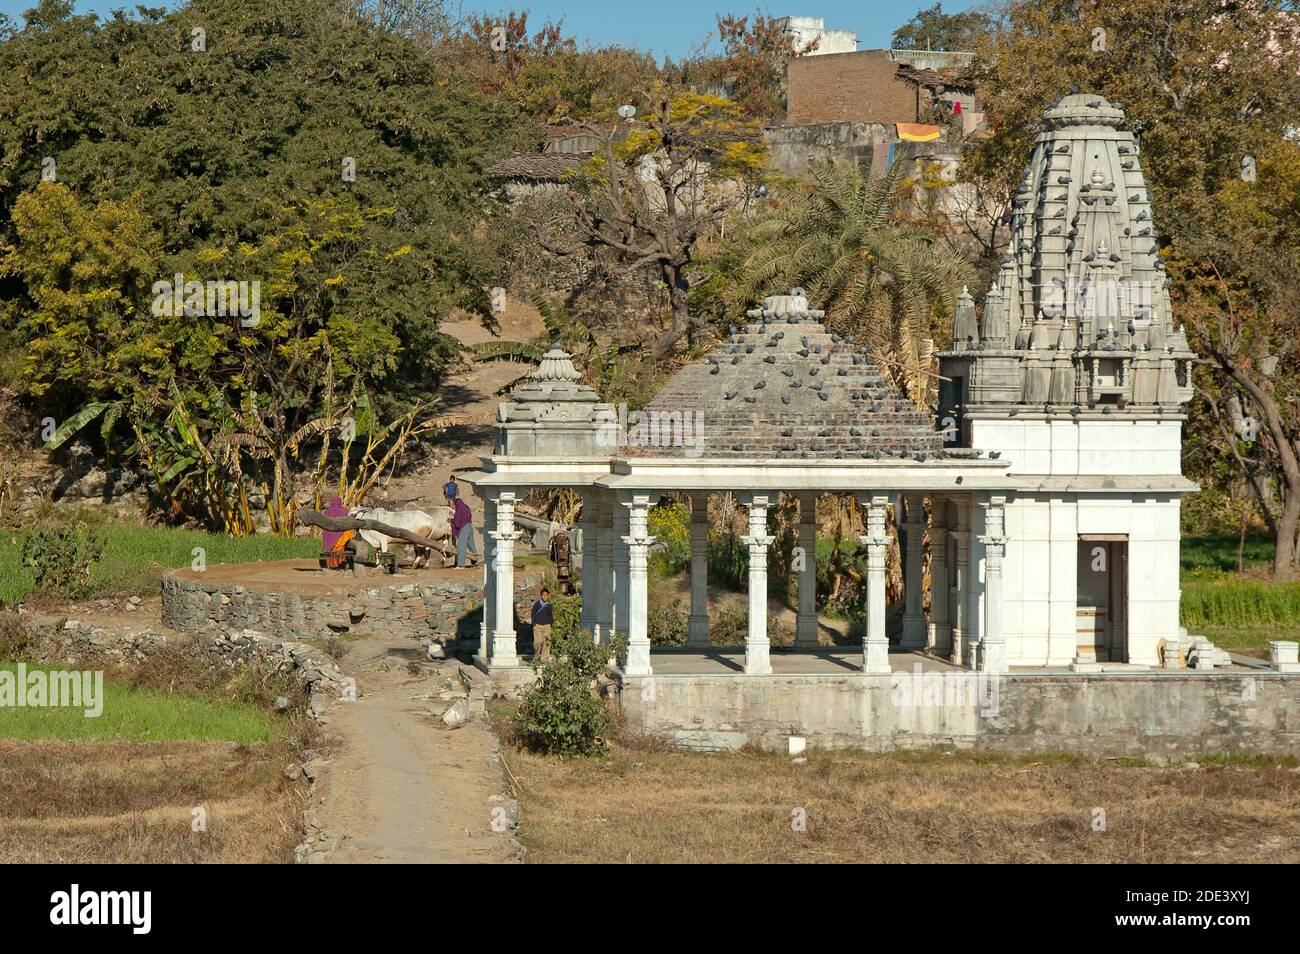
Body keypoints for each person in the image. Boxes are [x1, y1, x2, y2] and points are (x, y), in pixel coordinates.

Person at [449, 492, 478, 567]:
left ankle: (461, 565)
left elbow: (458, 520)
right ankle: (475, 562)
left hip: (464, 527)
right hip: (470, 526)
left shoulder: (459, 507)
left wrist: (451, 520)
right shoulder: (466, 506)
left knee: (461, 546)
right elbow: (464, 516)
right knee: (471, 545)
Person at [531, 587, 553, 662]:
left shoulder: (549, 605)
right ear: (541, 595)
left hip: (547, 626)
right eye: (543, 595)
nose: (545, 596)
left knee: (547, 643)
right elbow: (533, 614)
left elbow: (550, 616)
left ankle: (544, 659)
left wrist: (550, 624)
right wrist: (534, 623)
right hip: (538, 626)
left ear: (548, 596)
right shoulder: (537, 604)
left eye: (546, 595)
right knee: (538, 642)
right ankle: (536, 656)